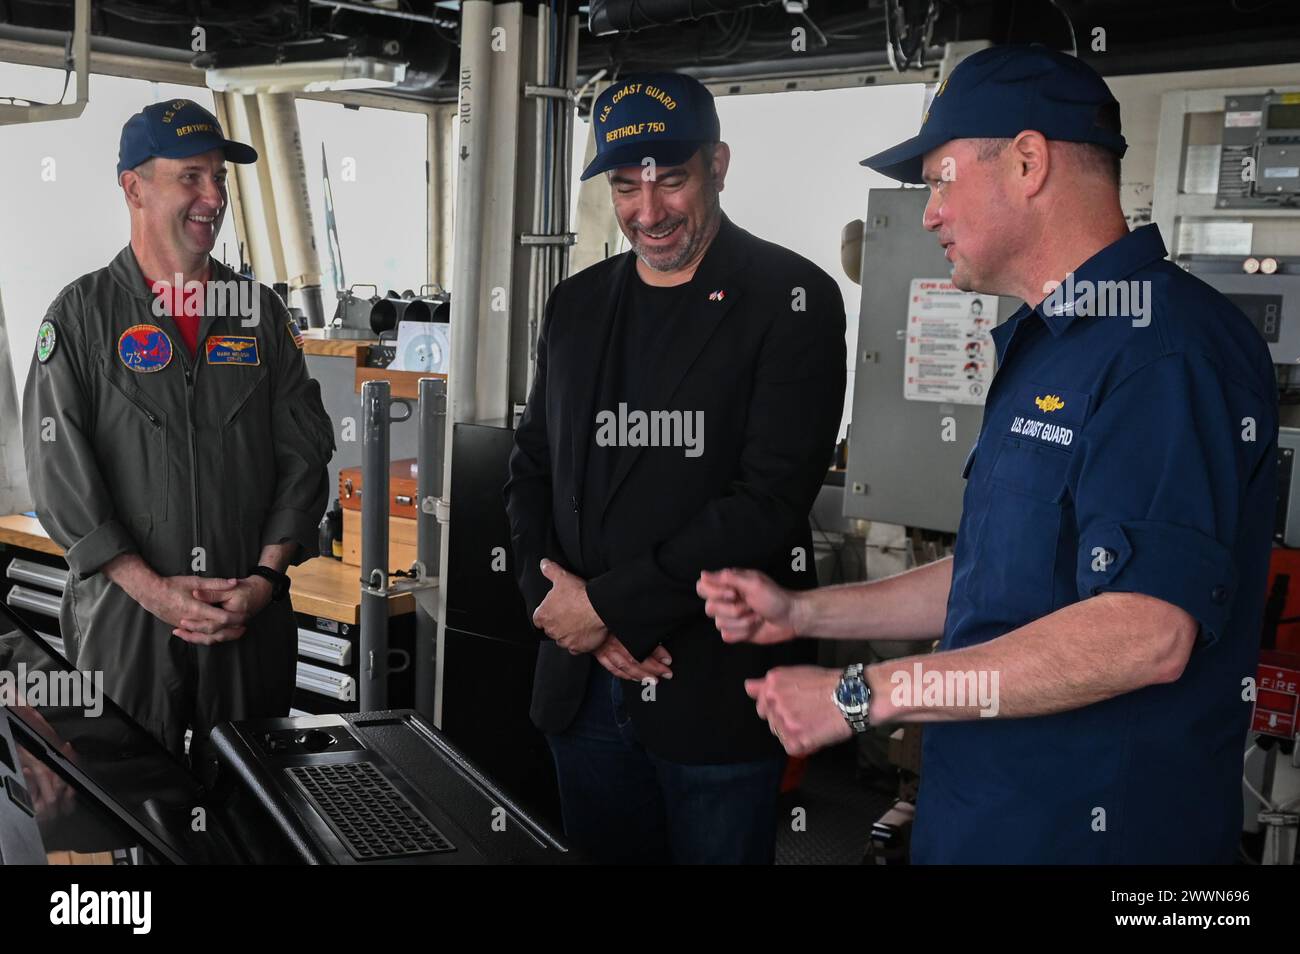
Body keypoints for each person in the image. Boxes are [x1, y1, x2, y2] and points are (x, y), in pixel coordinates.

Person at [699, 45, 1278, 864]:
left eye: (941, 178)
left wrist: (867, 694)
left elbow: (1145, 631)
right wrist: (806, 614)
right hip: (984, 819)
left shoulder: (1167, 352)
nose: (928, 212)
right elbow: (1000, 575)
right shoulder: (1049, 347)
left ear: (1028, 162)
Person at [504, 72, 846, 864]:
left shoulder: (793, 298)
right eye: (627, 186)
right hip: (582, 685)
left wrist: (613, 608)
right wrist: (562, 611)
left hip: (713, 690)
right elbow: (531, 467)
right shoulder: (577, 304)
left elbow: (766, 501)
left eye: (672, 180)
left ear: (717, 164)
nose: (648, 212)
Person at [22, 99, 336, 782]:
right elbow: (58, 476)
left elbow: (304, 454)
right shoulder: (79, 318)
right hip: (127, 629)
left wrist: (263, 578)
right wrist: (154, 592)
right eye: (191, 177)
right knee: (130, 804)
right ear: (133, 187)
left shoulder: (257, 315)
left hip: (246, 624)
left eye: (220, 178)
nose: (214, 197)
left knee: (254, 811)